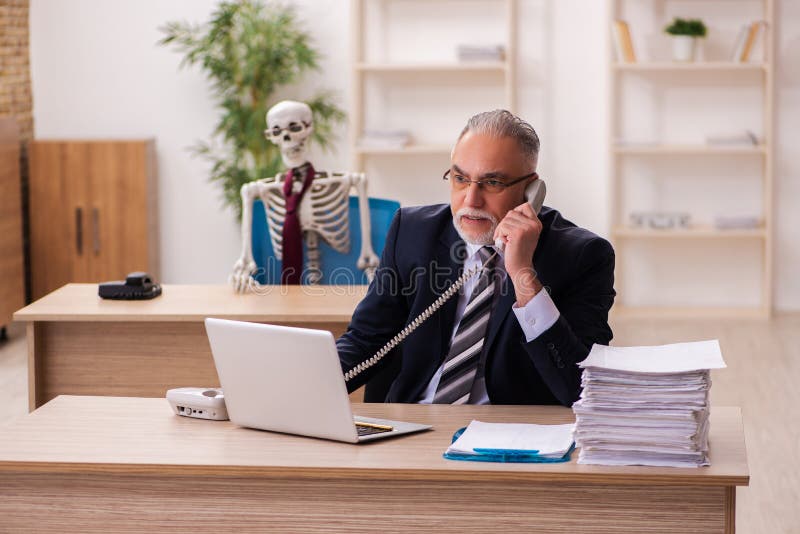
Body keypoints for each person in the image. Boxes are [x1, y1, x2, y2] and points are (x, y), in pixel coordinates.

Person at [337, 110, 615, 406]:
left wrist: (522, 274)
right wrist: (306, 385)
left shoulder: (584, 256)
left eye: (492, 182)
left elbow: (581, 388)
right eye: (460, 179)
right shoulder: (412, 231)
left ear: (531, 189)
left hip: (510, 436)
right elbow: (365, 341)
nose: (470, 200)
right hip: (413, 424)